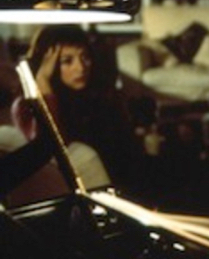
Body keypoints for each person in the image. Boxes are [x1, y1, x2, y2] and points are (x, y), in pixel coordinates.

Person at [11, 25, 136, 189]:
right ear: (46, 65)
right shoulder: (25, 106)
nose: (81, 67)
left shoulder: (101, 96)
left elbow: (126, 155)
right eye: (67, 61)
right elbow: (48, 147)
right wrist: (43, 81)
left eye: (85, 57)